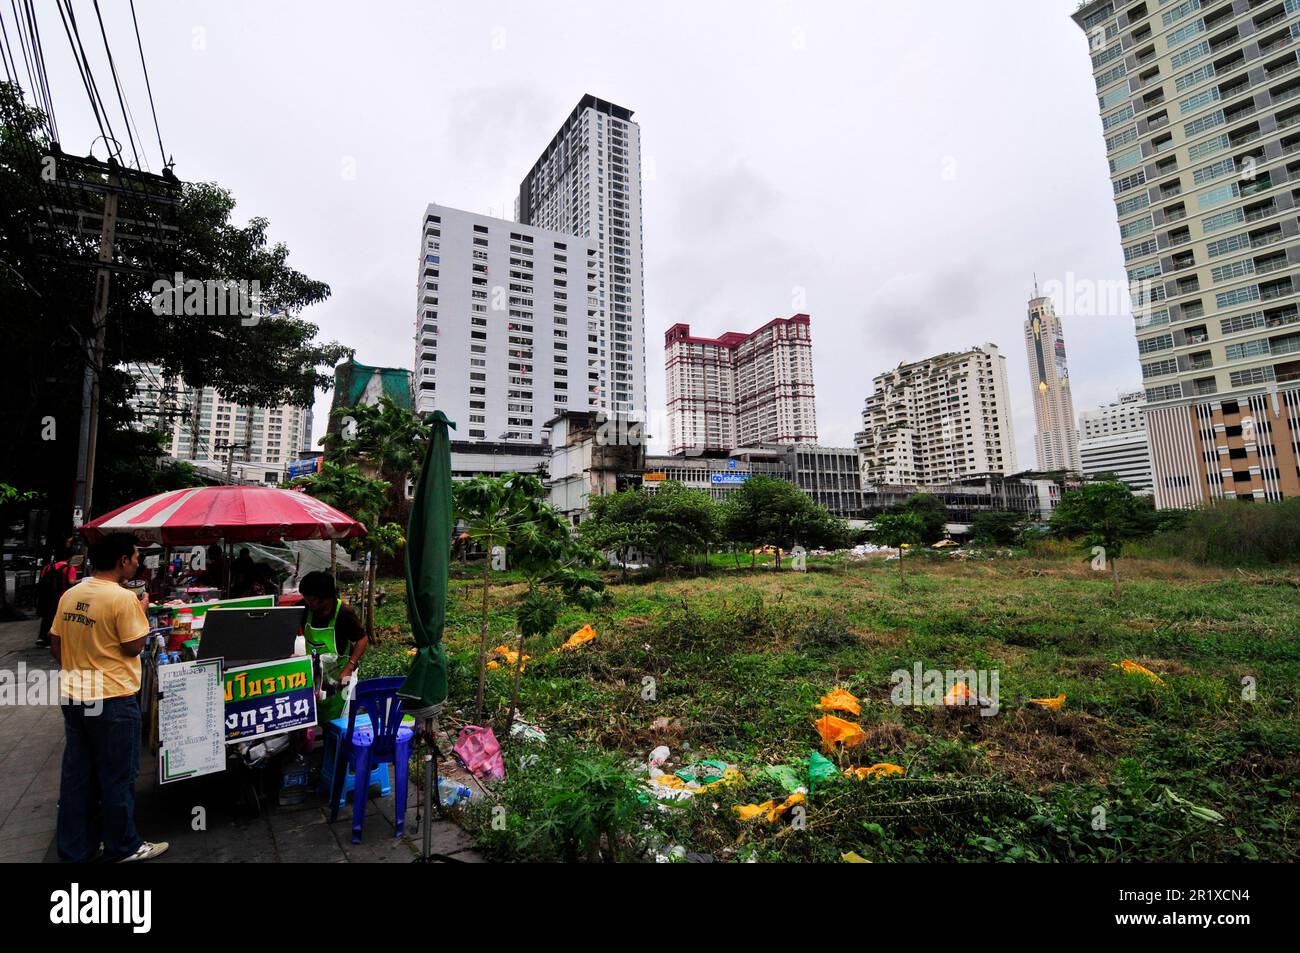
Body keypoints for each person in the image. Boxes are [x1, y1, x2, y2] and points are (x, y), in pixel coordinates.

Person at [50, 532, 169, 863]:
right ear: (122, 561)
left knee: (78, 778)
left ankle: (76, 849)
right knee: (117, 775)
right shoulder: (122, 598)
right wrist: (141, 612)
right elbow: (134, 646)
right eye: (135, 558)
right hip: (113, 698)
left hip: (75, 697)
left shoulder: (71, 595)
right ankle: (124, 845)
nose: (137, 563)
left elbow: (57, 646)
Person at [298, 571, 368, 682]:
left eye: (311, 600)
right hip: (315, 671)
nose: (307, 602)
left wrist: (350, 667)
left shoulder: (344, 613)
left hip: (343, 671)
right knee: (318, 697)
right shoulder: (304, 607)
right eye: (306, 599)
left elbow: (362, 639)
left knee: (346, 698)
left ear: (326, 597)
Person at [35, 540, 77, 648]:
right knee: (57, 618)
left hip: (47, 596)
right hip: (61, 597)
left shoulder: (48, 567)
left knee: (47, 617)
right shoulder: (70, 568)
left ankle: (42, 637)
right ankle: (53, 640)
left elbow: (42, 580)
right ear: (69, 557)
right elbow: (71, 582)